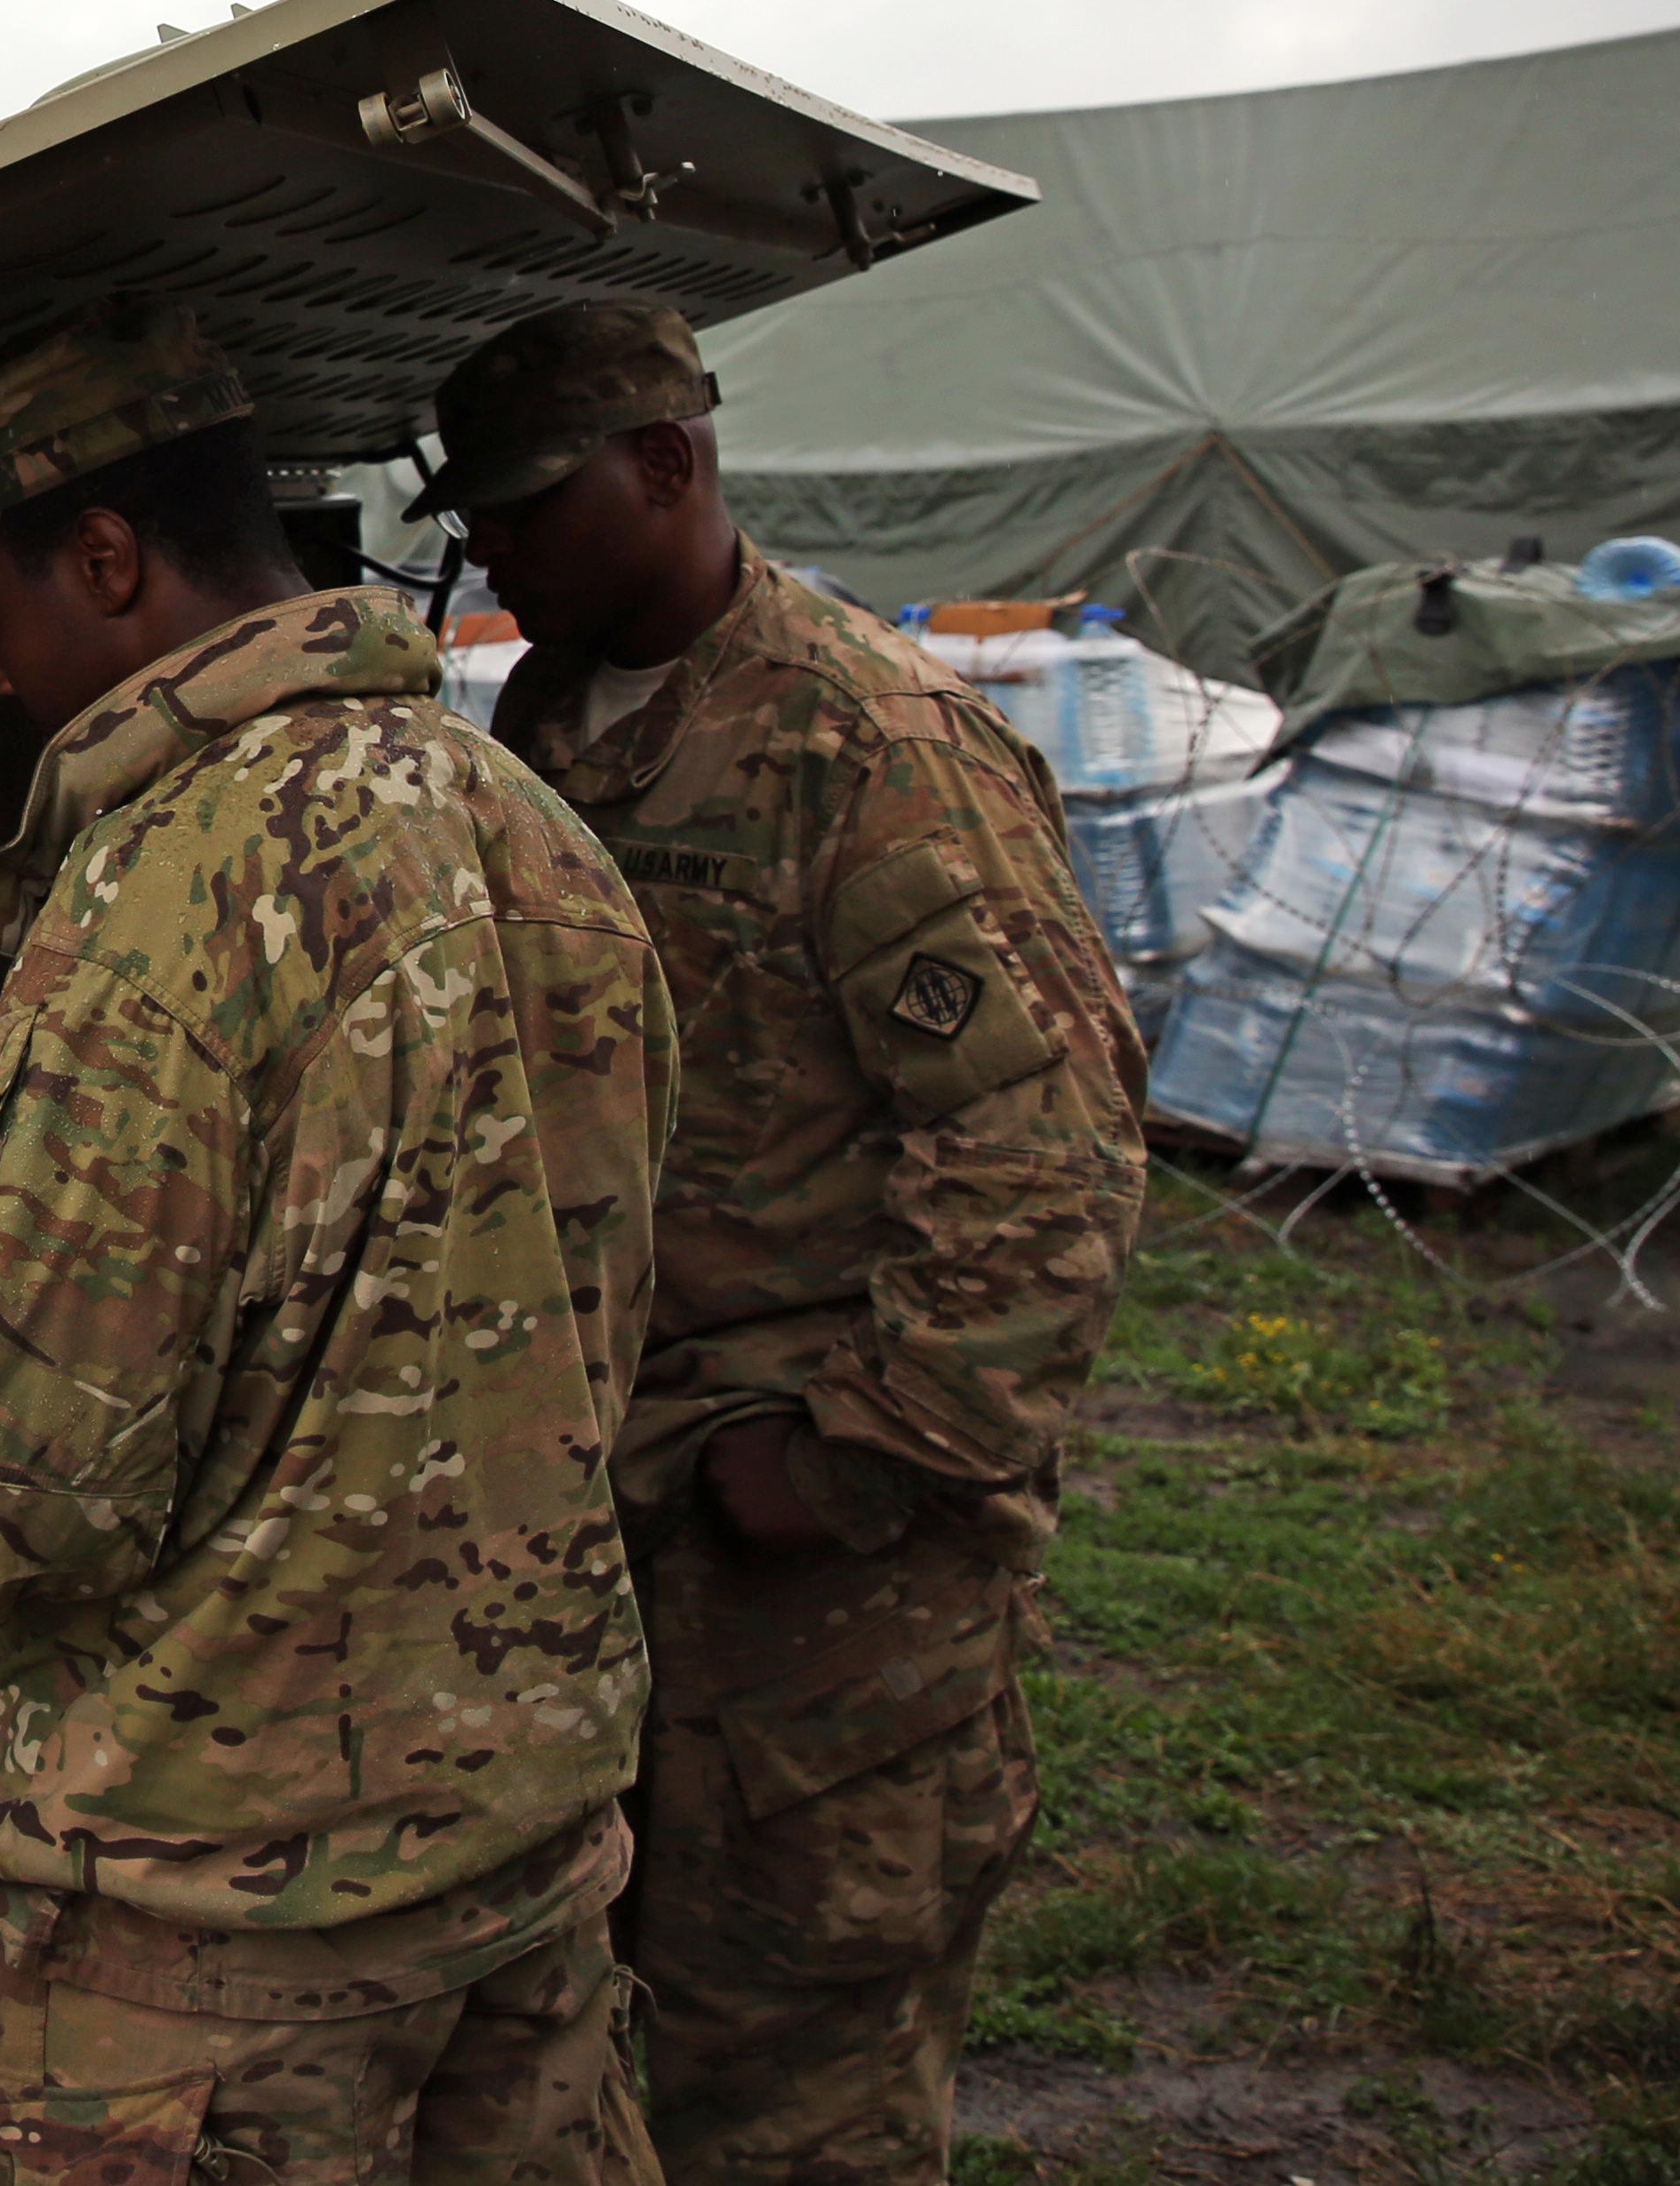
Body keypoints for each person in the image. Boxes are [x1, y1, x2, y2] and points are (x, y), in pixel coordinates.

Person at [0, 302, 676, 2186]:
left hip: (218, 1931)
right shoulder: (527, 821)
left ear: (105, 557)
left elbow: (12, 1495)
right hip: (521, 1837)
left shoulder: (171, 896)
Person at [417, 303, 1148, 2186]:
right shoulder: (548, 720)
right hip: (604, 1509)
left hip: (814, 1566)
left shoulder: (869, 743)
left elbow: (1042, 1139)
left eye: (525, 501)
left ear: (667, 466)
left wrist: (866, 1450)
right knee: (571, 2036)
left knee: (795, 2074)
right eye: (471, 511)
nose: (489, 547)